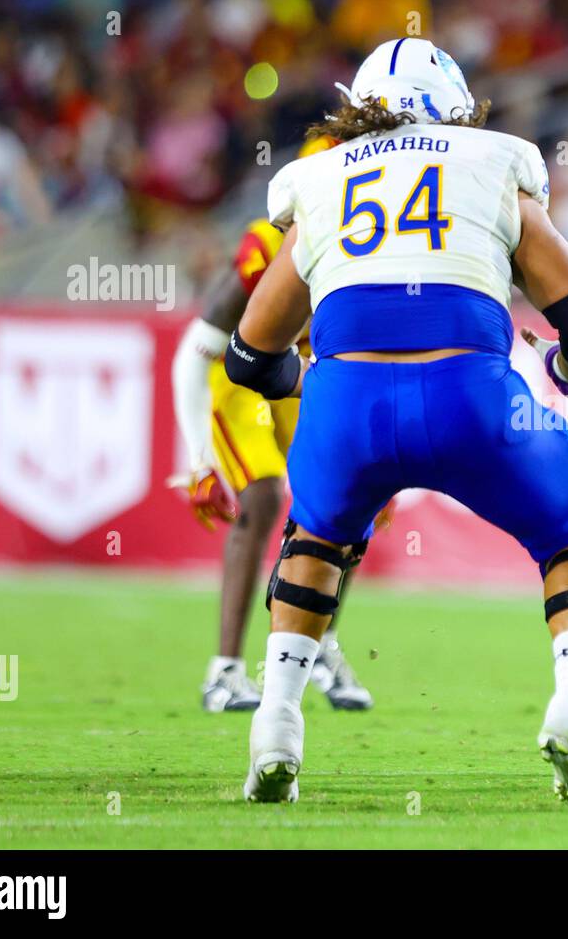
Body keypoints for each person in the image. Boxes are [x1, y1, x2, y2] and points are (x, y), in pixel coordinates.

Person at [226, 38, 568, 807]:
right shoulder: (494, 164)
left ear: (360, 108)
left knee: (315, 540)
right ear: (458, 105)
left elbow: (248, 352)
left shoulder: (321, 180)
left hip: (347, 404)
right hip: (471, 394)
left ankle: (276, 723)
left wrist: (298, 380)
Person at [170, 137, 376, 714]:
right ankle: (225, 670)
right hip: (241, 376)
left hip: (304, 374)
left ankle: (322, 643)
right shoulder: (267, 245)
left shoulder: (375, 241)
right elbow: (196, 349)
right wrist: (197, 460)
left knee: (355, 498)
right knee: (261, 499)